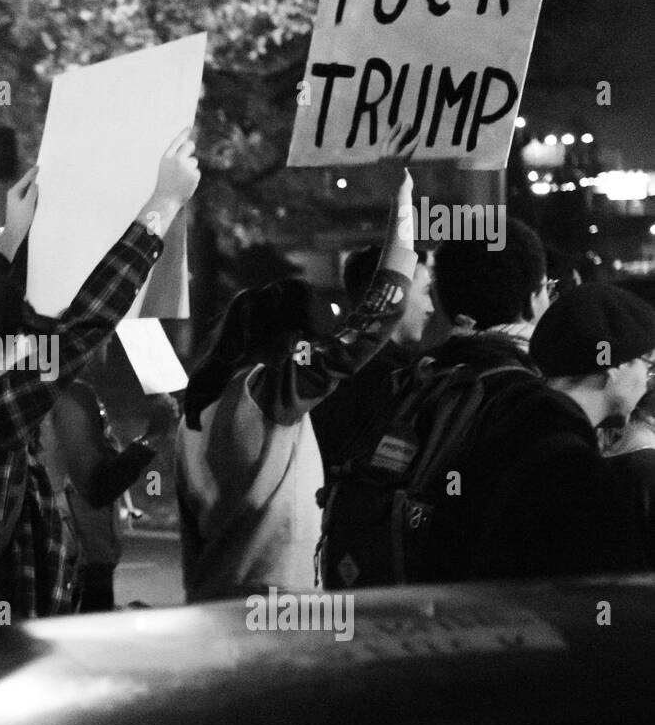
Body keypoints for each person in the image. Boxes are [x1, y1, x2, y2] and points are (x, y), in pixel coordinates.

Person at [0, 132, 201, 618]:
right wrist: (162, 203)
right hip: (0, 644)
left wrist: (11, 235)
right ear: (8, 346)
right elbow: (83, 326)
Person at [177, 124, 418, 603]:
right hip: (272, 606)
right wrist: (404, 215)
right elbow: (364, 333)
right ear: (291, 342)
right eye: (313, 339)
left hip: (213, 599)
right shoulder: (265, 394)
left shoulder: (197, 409)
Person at [431, 284, 655, 579]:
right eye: (648, 367)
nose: (646, 383)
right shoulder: (572, 471)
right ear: (614, 365)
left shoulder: (502, 426)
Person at [40, 372, 178, 612]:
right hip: (82, 558)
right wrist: (154, 435)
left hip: (84, 557)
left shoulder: (61, 390)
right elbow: (99, 486)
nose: (109, 340)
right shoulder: (71, 393)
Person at [311, 246, 433, 471]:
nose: (431, 307)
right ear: (397, 292)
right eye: (426, 292)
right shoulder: (397, 380)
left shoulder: (327, 365)